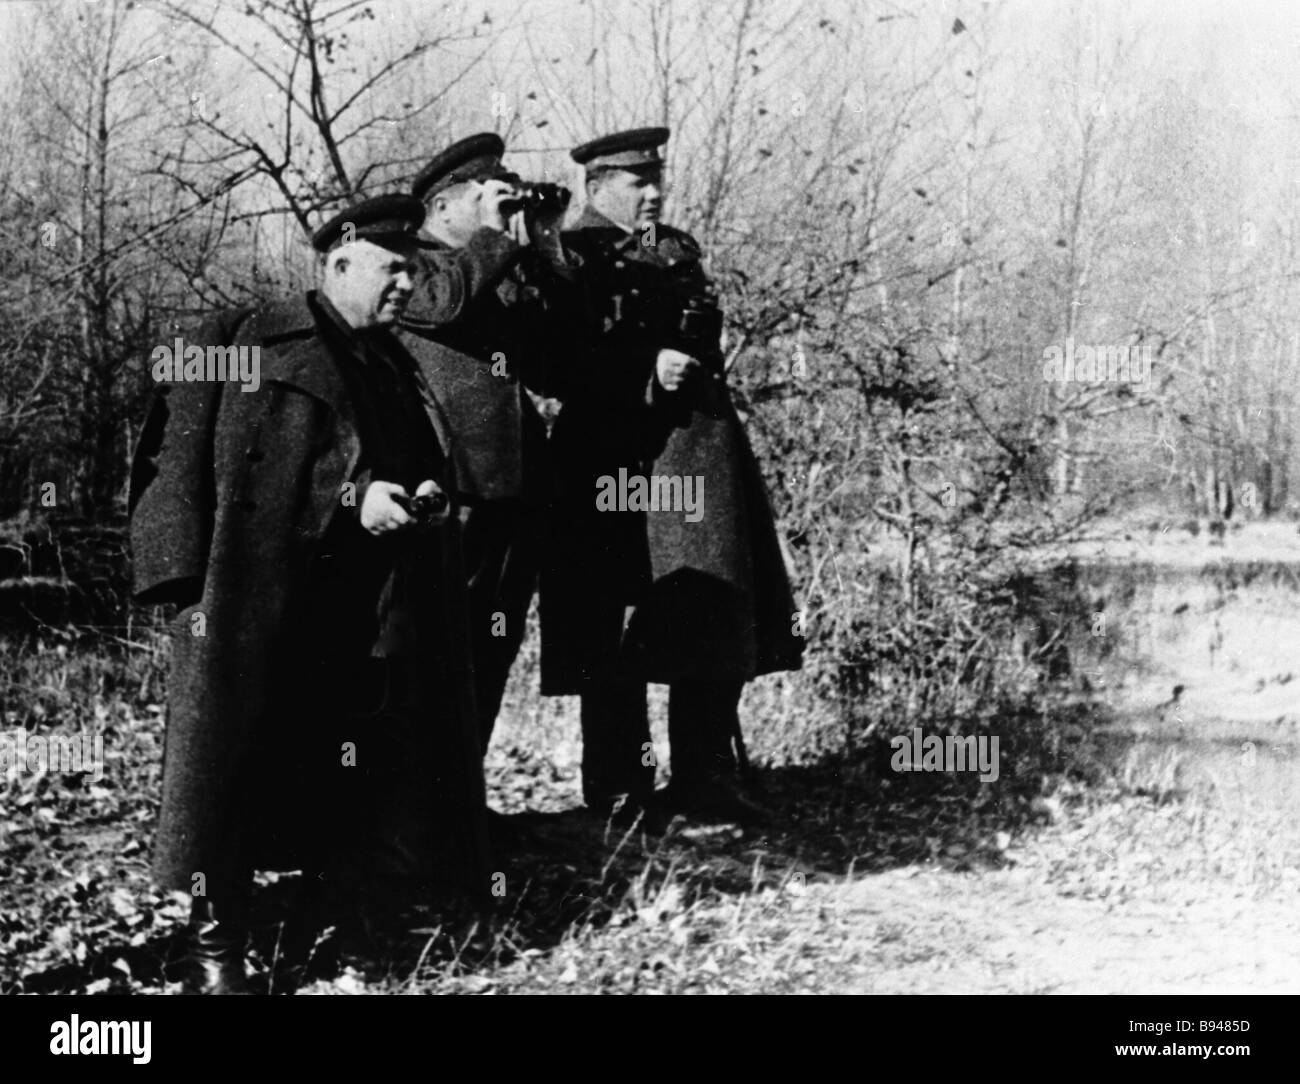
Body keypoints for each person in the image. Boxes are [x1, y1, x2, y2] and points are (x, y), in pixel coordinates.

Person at [128, 194, 489, 994]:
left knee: (346, 771)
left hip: (360, 610)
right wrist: (354, 497)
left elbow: (392, 457)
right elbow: (239, 468)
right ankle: (216, 947)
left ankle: (332, 922)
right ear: (339, 260)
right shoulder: (259, 340)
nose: (405, 285)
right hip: (260, 603)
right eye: (394, 269)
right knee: (231, 770)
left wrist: (420, 492)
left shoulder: (390, 362)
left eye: (414, 271)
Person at [541, 127, 804, 822]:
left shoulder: (676, 250)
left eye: (657, 179)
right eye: (637, 183)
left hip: (695, 453)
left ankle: (703, 777)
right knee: (614, 621)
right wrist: (641, 373)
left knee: (712, 612)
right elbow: (553, 360)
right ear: (597, 187)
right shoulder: (568, 254)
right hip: (612, 459)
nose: (653, 193)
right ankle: (621, 785)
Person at [400, 132, 583, 752]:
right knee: (433, 645)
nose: (501, 210)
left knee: (492, 644)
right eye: (489, 196)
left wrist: (550, 244)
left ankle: (464, 808)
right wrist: (496, 238)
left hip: (514, 487)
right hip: (449, 488)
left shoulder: (500, 264)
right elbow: (444, 306)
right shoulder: (408, 264)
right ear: (445, 205)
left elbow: (557, 364)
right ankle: (418, 817)